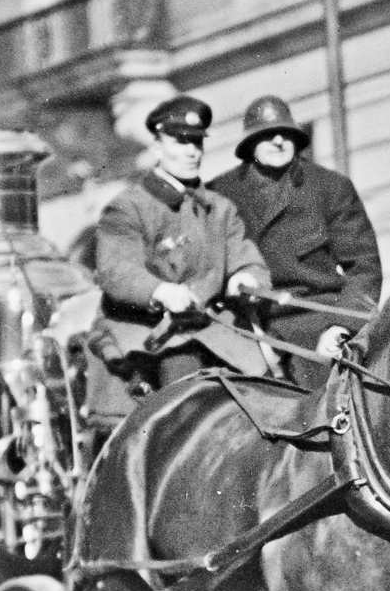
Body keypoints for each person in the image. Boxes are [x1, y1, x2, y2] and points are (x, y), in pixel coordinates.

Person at [92, 95, 271, 391]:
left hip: (211, 328)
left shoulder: (219, 208)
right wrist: (160, 290)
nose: (191, 152)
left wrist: (245, 278)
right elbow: (116, 270)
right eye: (180, 142)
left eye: (197, 143)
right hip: (151, 334)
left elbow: (245, 257)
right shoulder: (128, 207)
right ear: (156, 145)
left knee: (267, 386)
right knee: (187, 392)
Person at [208, 95, 382, 389]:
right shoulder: (220, 193)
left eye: (285, 133)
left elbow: (364, 267)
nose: (277, 141)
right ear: (250, 144)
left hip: (317, 314)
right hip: (246, 319)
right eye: (266, 135)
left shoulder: (330, 187)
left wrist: (342, 326)